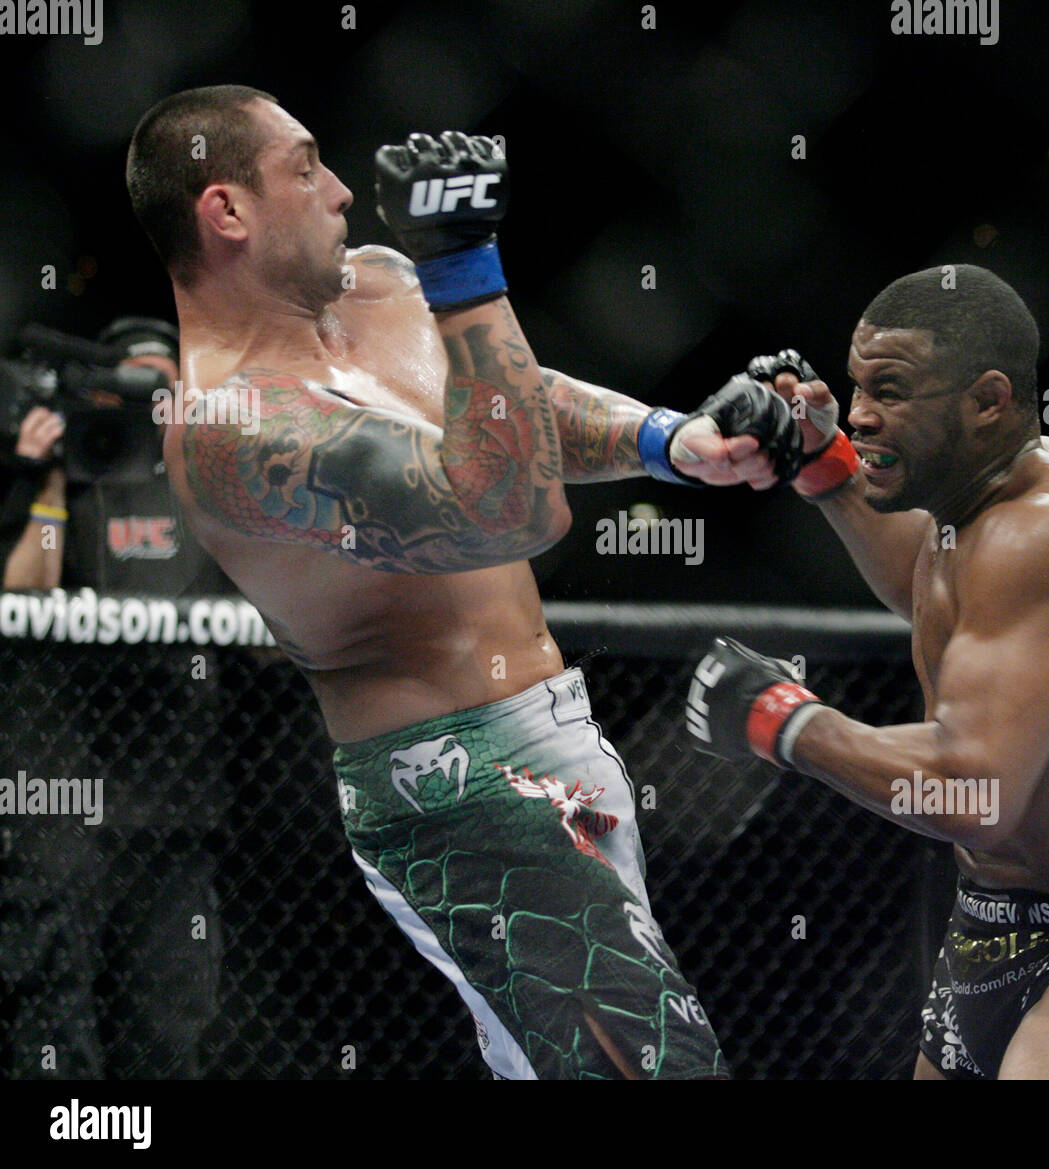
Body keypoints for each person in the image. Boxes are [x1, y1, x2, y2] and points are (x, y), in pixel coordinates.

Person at [125, 84, 800, 1079]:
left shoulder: (384, 285)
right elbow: (505, 509)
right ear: (226, 210)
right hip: (459, 792)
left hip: (554, 731)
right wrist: (468, 273)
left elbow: (506, 406)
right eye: (306, 168)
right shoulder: (228, 430)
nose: (345, 191)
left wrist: (671, 440)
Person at [684, 265, 1049, 1080]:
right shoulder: (970, 504)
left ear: (988, 399)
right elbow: (919, 589)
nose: (859, 413)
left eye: (890, 391)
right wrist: (823, 468)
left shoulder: (1045, 528)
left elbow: (977, 792)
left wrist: (783, 720)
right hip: (979, 936)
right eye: (857, 385)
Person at [0, 321, 230, 1078]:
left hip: (173, 804)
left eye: (160, 388)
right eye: (130, 388)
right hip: (69, 803)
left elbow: (272, 628)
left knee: (169, 1023)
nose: (147, 406)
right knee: (55, 1016)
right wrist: (51, 477)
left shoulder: (210, 488)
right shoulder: (82, 471)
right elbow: (25, 594)